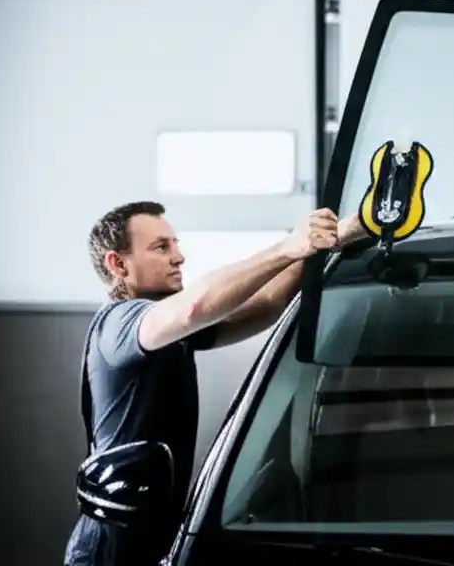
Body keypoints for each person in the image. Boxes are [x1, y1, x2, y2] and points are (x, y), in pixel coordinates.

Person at [64, 200, 362, 566]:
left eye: (174, 244)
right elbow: (195, 307)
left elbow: (268, 302)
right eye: (161, 247)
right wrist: (287, 246)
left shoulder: (169, 333)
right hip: (107, 550)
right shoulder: (119, 323)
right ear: (118, 264)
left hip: (152, 540)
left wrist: (338, 238)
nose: (178, 257)